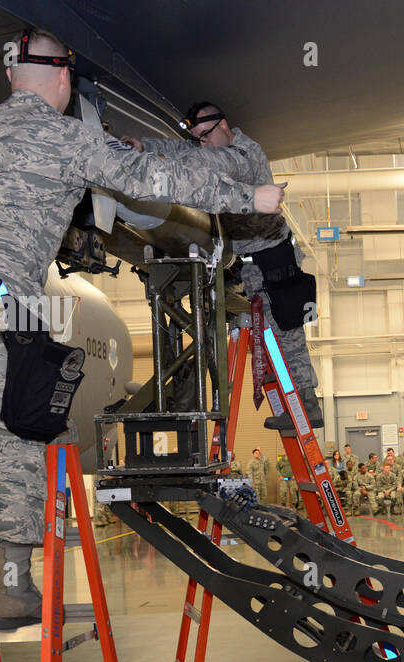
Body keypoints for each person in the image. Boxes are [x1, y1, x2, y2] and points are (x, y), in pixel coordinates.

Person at [0, 29, 281, 632]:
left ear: (10, 77)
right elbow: (154, 180)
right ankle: (14, 587)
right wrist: (249, 194)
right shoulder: (68, 136)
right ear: (62, 79)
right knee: (15, 426)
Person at [124, 101, 319, 428]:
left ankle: (307, 407)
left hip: (272, 255)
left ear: (224, 125)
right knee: (261, 329)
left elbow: (212, 164)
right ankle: (288, 404)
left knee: (285, 329)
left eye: (207, 134)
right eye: (198, 137)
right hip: (245, 260)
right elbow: (181, 147)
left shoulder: (245, 153)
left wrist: (157, 160)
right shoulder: (205, 145)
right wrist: (147, 146)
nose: (203, 141)